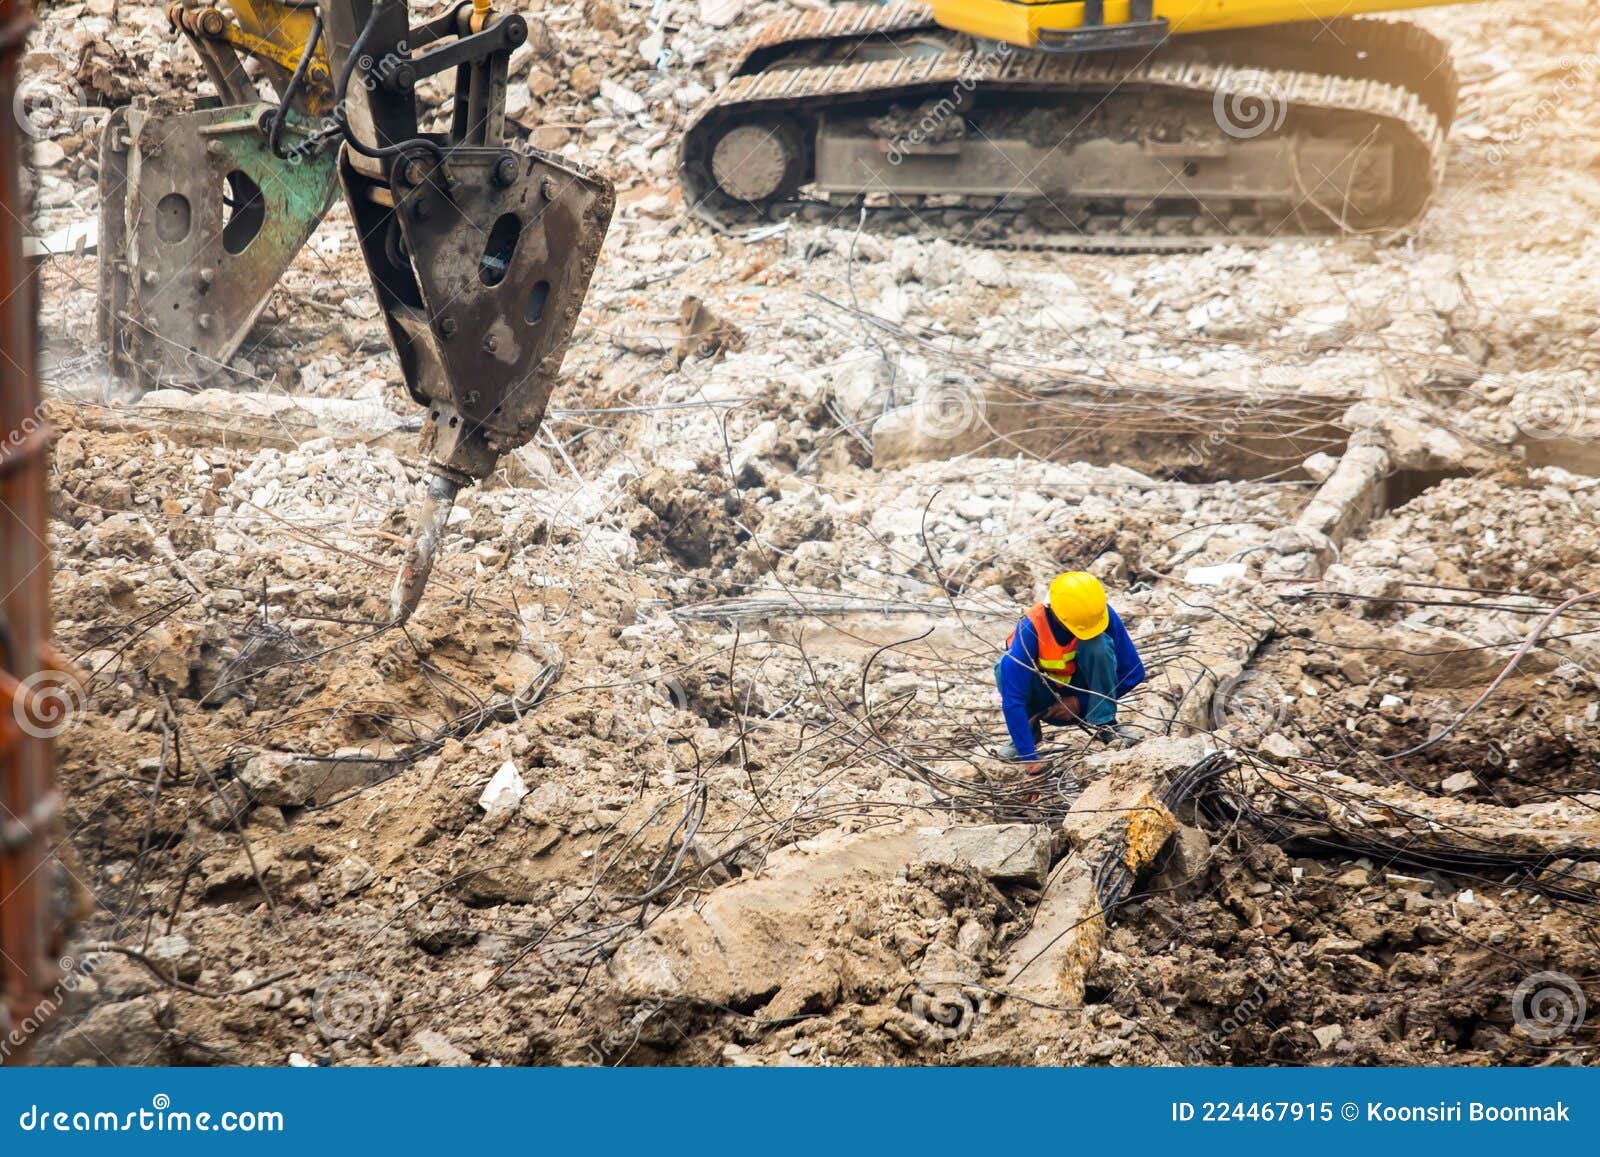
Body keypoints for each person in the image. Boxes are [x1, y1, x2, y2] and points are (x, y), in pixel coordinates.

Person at [994, 571, 1146, 774]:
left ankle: (1106, 724)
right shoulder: (1031, 628)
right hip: (1046, 704)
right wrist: (1028, 757)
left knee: (1098, 645)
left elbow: (1133, 671)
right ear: (1057, 614)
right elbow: (1013, 698)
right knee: (1003, 668)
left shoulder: (1096, 614)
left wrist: (1080, 701)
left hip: (1091, 701)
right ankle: (1027, 736)